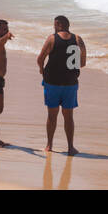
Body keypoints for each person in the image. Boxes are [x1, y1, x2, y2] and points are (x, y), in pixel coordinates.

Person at [37, 14, 86, 156]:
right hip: (70, 83)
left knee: (52, 116)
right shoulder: (78, 39)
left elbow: (40, 58)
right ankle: (71, 147)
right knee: (68, 116)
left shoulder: (52, 38)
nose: (53, 27)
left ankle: (49, 145)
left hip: (52, 83)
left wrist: (42, 71)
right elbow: (82, 62)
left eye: (54, 25)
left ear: (58, 24)